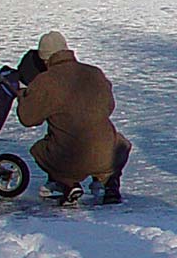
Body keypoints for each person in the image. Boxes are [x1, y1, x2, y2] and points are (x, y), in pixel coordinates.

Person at [15, 31, 133, 205]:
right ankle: (109, 181)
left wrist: (23, 95)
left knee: (40, 149)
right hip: (106, 156)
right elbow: (109, 106)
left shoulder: (46, 81)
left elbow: (28, 119)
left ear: (44, 59)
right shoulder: (95, 73)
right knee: (119, 143)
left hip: (69, 158)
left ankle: (67, 183)